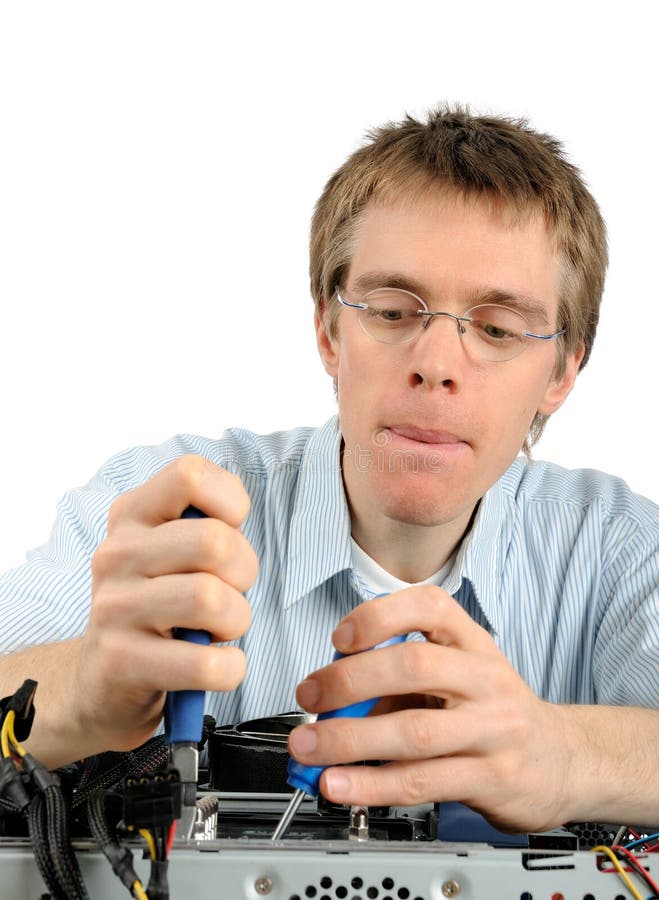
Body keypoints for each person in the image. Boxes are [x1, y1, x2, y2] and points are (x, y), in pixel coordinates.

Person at [0, 106, 657, 832]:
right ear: (329, 333)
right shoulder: (162, 508)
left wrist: (564, 756)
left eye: (497, 328)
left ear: (562, 370)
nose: (435, 365)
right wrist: (86, 690)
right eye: (391, 311)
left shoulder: (619, 547)